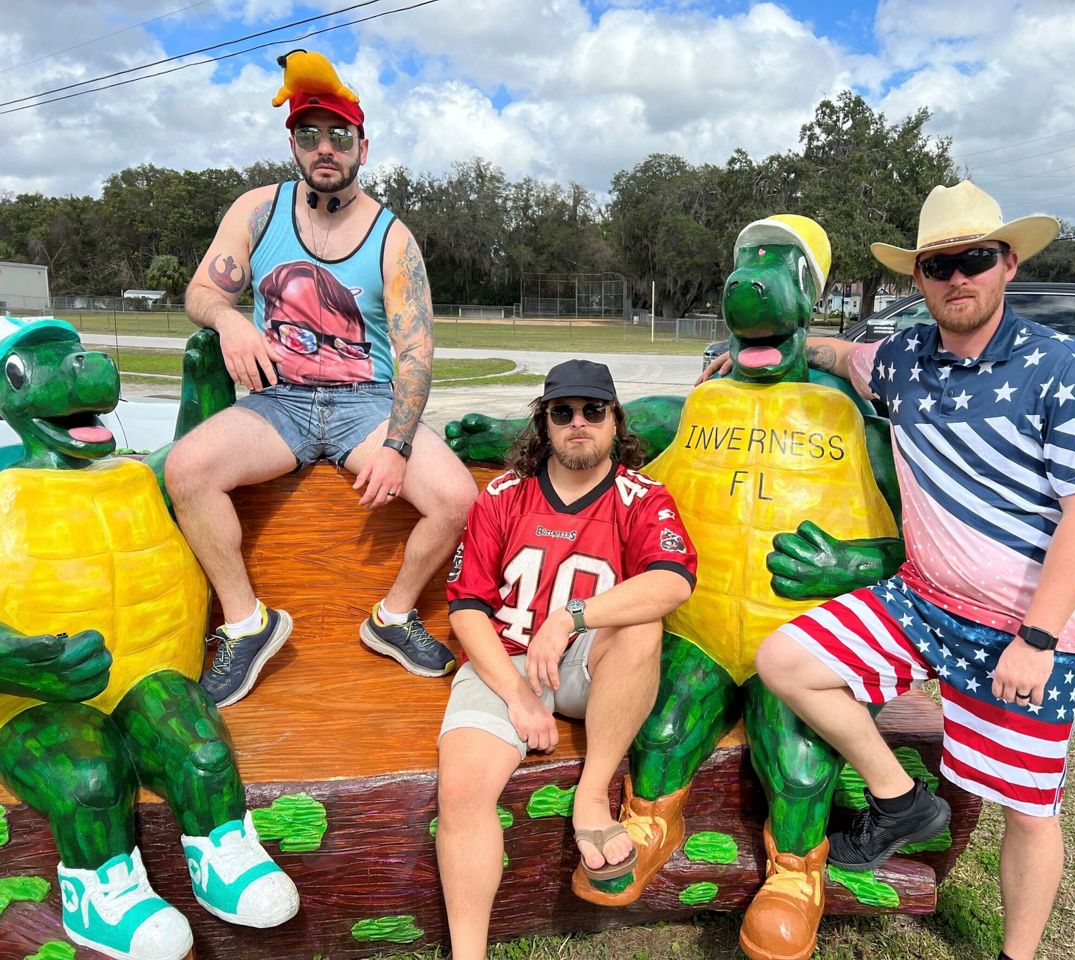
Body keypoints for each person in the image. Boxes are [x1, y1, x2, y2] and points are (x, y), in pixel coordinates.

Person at [708, 181, 1075, 960]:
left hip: (1020, 626)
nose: (957, 278)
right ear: (919, 279)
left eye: (974, 259)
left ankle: (1017, 954)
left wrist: (1036, 639)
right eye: (939, 265)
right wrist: (728, 360)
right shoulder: (904, 358)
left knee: (1028, 807)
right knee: (787, 661)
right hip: (922, 600)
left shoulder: (1060, 367)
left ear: (1006, 263)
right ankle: (901, 800)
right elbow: (835, 351)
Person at [166, 50, 476, 707]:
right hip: (279, 403)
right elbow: (200, 291)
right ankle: (248, 625)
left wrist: (395, 445)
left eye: (339, 134)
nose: (324, 147)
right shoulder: (257, 211)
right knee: (188, 468)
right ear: (293, 144)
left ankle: (391, 618)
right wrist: (231, 322)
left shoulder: (393, 238)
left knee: (455, 496)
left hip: (366, 404)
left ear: (363, 144)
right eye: (309, 134)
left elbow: (417, 353)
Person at [436, 360, 697, 960]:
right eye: (563, 412)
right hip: (507, 662)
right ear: (544, 423)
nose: (578, 423)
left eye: (593, 410)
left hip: (588, 663)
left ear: (615, 421)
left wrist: (570, 617)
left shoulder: (643, 497)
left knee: (641, 626)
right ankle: (468, 953)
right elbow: (467, 608)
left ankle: (592, 792)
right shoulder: (502, 496)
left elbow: (672, 582)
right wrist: (518, 694)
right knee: (463, 788)